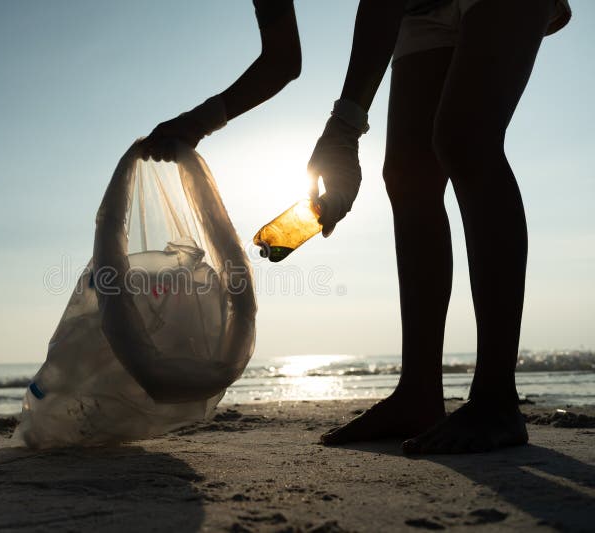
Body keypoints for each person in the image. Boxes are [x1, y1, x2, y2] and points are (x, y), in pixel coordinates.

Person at [140, 0, 571, 454]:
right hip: (418, 12)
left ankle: (497, 398)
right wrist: (198, 123)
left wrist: (344, 128)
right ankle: (419, 393)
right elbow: (282, 59)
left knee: (465, 139)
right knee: (407, 175)